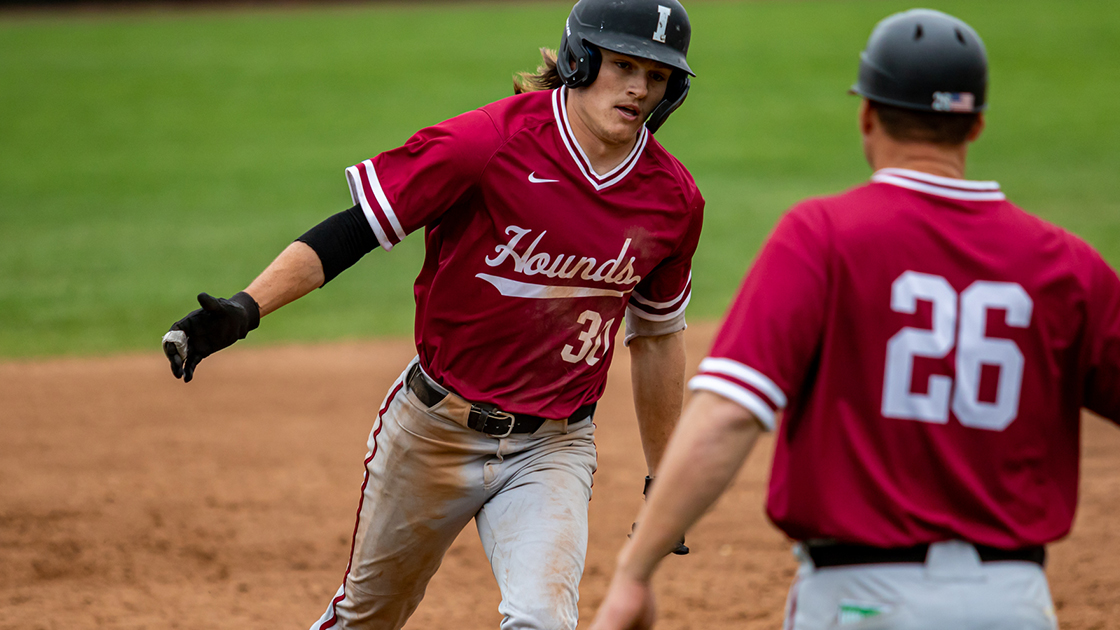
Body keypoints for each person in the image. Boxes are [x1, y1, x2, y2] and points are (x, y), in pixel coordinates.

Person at [161, 0, 702, 628]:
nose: (638, 88)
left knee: (543, 621)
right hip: (432, 432)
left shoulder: (673, 200)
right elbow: (357, 229)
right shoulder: (488, 143)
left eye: (657, 76)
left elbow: (658, 338)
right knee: (368, 616)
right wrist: (246, 306)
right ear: (581, 60)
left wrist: (665, 475)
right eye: (623, 65)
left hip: (553, 446)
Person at [591, 8, 1120, 630]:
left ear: (867, 114)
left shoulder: (824, 238)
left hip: (863, 598)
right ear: (975, 125)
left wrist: (635, 571)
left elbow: (728, 415)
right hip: (1013, 601)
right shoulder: (1067, 266)